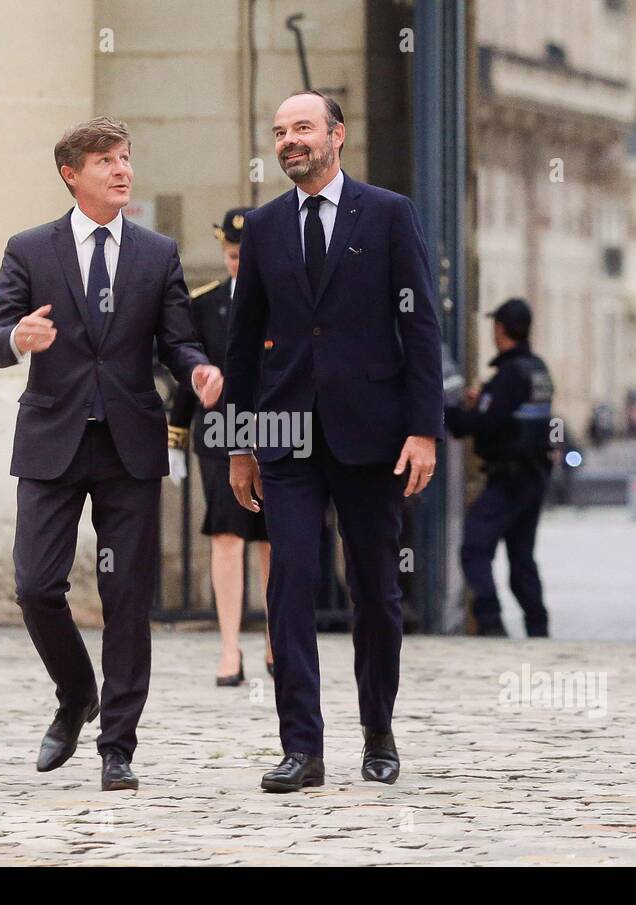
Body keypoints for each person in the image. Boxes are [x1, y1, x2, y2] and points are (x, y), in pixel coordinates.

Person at [0, 117, 221, 791]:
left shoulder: (156, 252)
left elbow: (179, 341)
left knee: (126, 600)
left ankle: (118, 747)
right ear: (71, 175)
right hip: (52, 440)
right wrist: (16, 339)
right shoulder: (30, 249)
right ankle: (76, 694)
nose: (122, 171)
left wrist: (197, 371)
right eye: (106, 161)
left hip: (129, 446)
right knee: (35, 587)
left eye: (126, 159)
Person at [225, 90, 444, 793]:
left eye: (303, 128)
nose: (290, 141)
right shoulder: (261, 228)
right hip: (285, 436)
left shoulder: (387, 214)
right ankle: (301, 749)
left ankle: (378, 731)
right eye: (280, 131)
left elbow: (420, 329)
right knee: (289, 584)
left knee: (376, 591)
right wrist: (237, 441)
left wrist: (423, 430)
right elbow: (241, 344)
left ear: (336, 136)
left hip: (372, 434)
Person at [168, 207, 273, 686]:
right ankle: (230, 647)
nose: (239, 264)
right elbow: (186, 370)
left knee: (276, 540)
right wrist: (177, 433)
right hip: (221, 430)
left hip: (278, 428)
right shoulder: (205, 304)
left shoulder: (287, 299)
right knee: (227, 536)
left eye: (246, 255)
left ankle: (278, 642)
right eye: (232, 256)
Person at [446, 298, 554, 639]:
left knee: (475, 547)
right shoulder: (538, 370)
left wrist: (448, 413)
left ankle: (490, 621)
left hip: (509, 478)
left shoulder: (509, 375)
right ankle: (538, 627)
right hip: (533, 476)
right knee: (522, 558)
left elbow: (484, 423)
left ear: (500, 329)